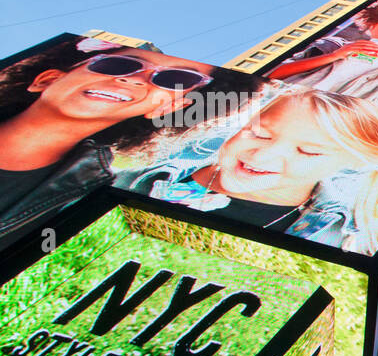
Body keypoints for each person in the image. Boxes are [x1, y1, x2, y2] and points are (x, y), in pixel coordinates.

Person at [122, 88, 378, 254]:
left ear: (359, 160)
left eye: (308, 151)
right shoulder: (133, 173)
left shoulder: (356, 239)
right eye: (258, 133)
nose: (263, 155)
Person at [0, 37, 228, 247]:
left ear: (168, 108)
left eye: (175, 79)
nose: (135, 79)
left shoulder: (91, 198)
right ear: (47, 79)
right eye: (119, 64)